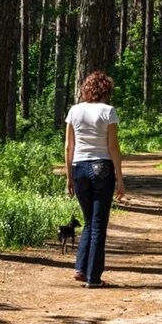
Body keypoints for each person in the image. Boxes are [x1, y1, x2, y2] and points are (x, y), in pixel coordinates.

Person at [65, 71, 126, 288]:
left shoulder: (74, 111)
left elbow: (68, 146)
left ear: (86, 89)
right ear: (106, 90)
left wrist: (69, 177)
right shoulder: (108, 111)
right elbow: (112, 147)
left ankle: (81, 268)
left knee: (89, 220)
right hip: (102, 168)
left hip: (79, 167)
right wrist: (120, 177)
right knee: (98, 223)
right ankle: (94, 277)